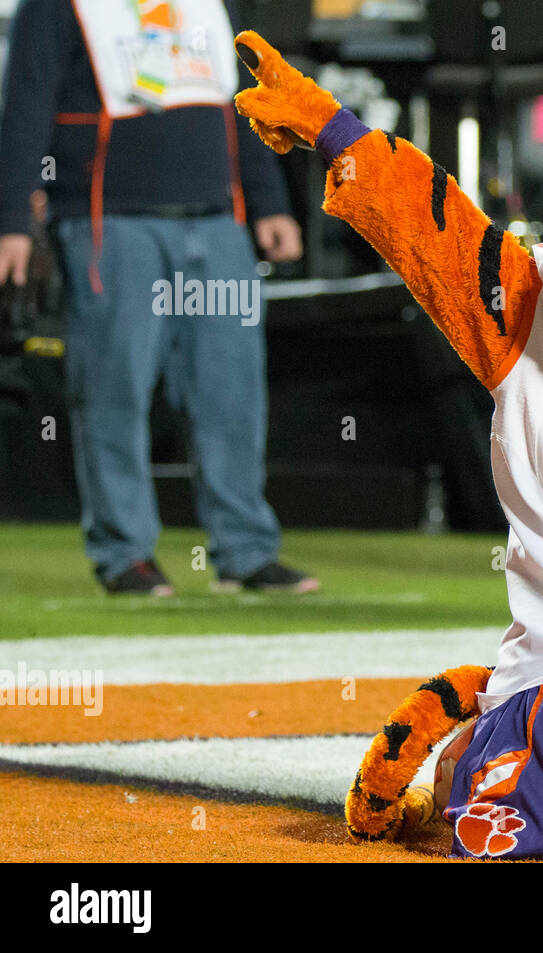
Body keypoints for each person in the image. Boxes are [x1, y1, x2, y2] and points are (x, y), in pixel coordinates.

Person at [0, 0, 316, 594]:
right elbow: (24, 103)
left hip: (218, 223)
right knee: (113, 387)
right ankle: (125, 554)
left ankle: (245, 550)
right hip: (111, 223)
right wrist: (11, 220)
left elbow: (240, 100)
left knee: (233, 391)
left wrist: (269, 201)